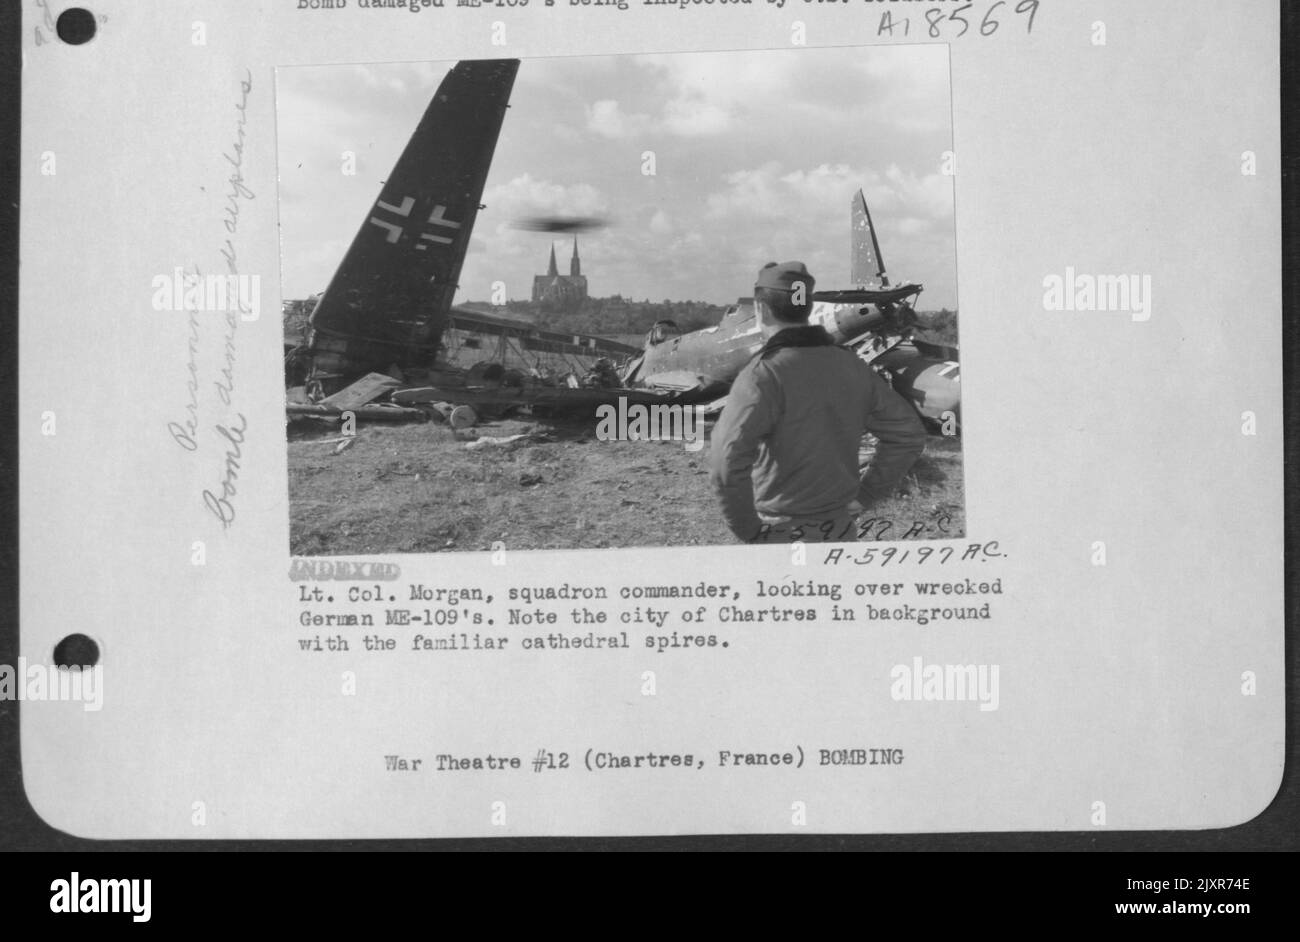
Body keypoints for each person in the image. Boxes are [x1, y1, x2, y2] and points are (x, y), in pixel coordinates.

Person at [709, 261, 926, 543]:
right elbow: (908, 434)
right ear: (808, 308)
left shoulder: (762, 375)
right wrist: (867, 494)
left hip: (780, 533)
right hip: (839, 531)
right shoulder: (852, 365)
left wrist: (748, 528)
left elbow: (726, 460)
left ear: (761, 309)